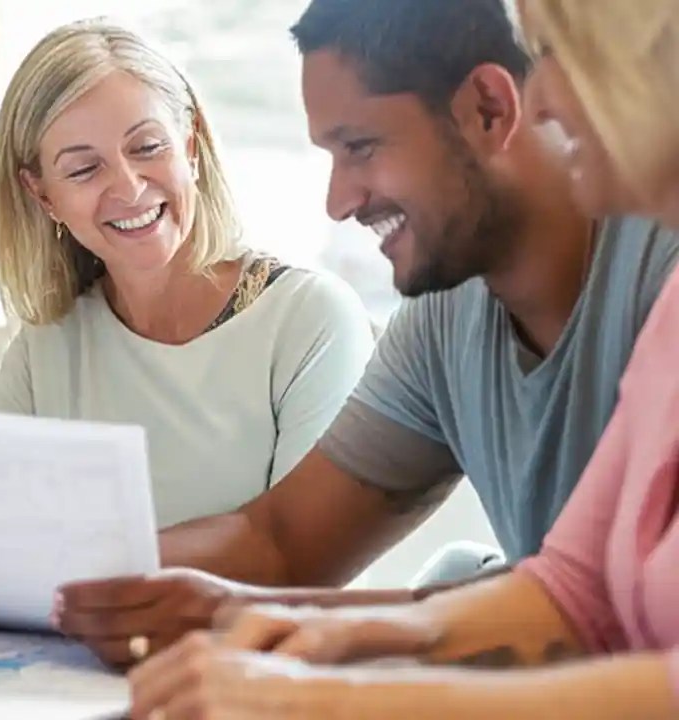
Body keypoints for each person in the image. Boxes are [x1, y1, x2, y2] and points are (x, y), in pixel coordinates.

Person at [53, 0, 679, 671]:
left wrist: (319, 681)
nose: (339, 201)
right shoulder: (446, 315)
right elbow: (286, 539)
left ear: (489, 110)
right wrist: (45, 574)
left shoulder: (659, 267)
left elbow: (606, 625)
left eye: (361, 147)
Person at [0, 18, 375, 614]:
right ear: (42, 194)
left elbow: (306, 564)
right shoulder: (47, 346)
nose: (130, 187)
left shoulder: (310, 321)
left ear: (191, 146)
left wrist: (66, 571)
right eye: (84, 168)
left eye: (148, 147)